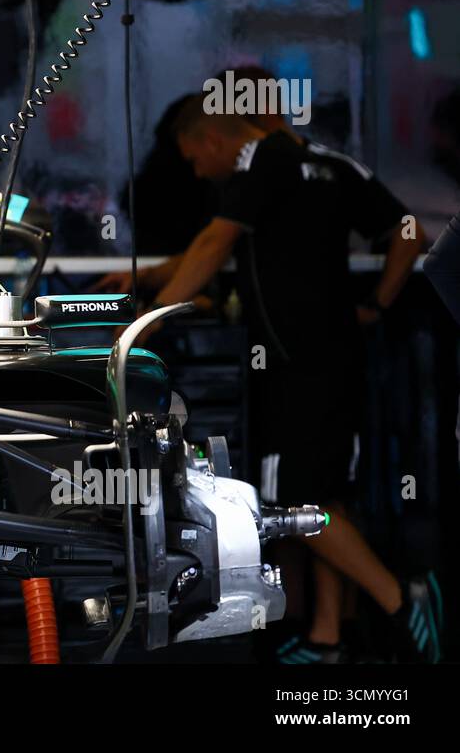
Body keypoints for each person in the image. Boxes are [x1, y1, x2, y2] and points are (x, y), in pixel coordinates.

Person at [126, 103, 439, 663]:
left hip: (296, 367)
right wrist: (376, 306)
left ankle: (399, 599)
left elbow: (212, 246)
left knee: (296, 498)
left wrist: (150, 319)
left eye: (195, 157)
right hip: (332, 358)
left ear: (217, 138)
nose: (198, 172)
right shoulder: (327, 164)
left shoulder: (261, 161)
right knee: (327, 497)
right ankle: (326, 638)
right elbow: (407, 233)